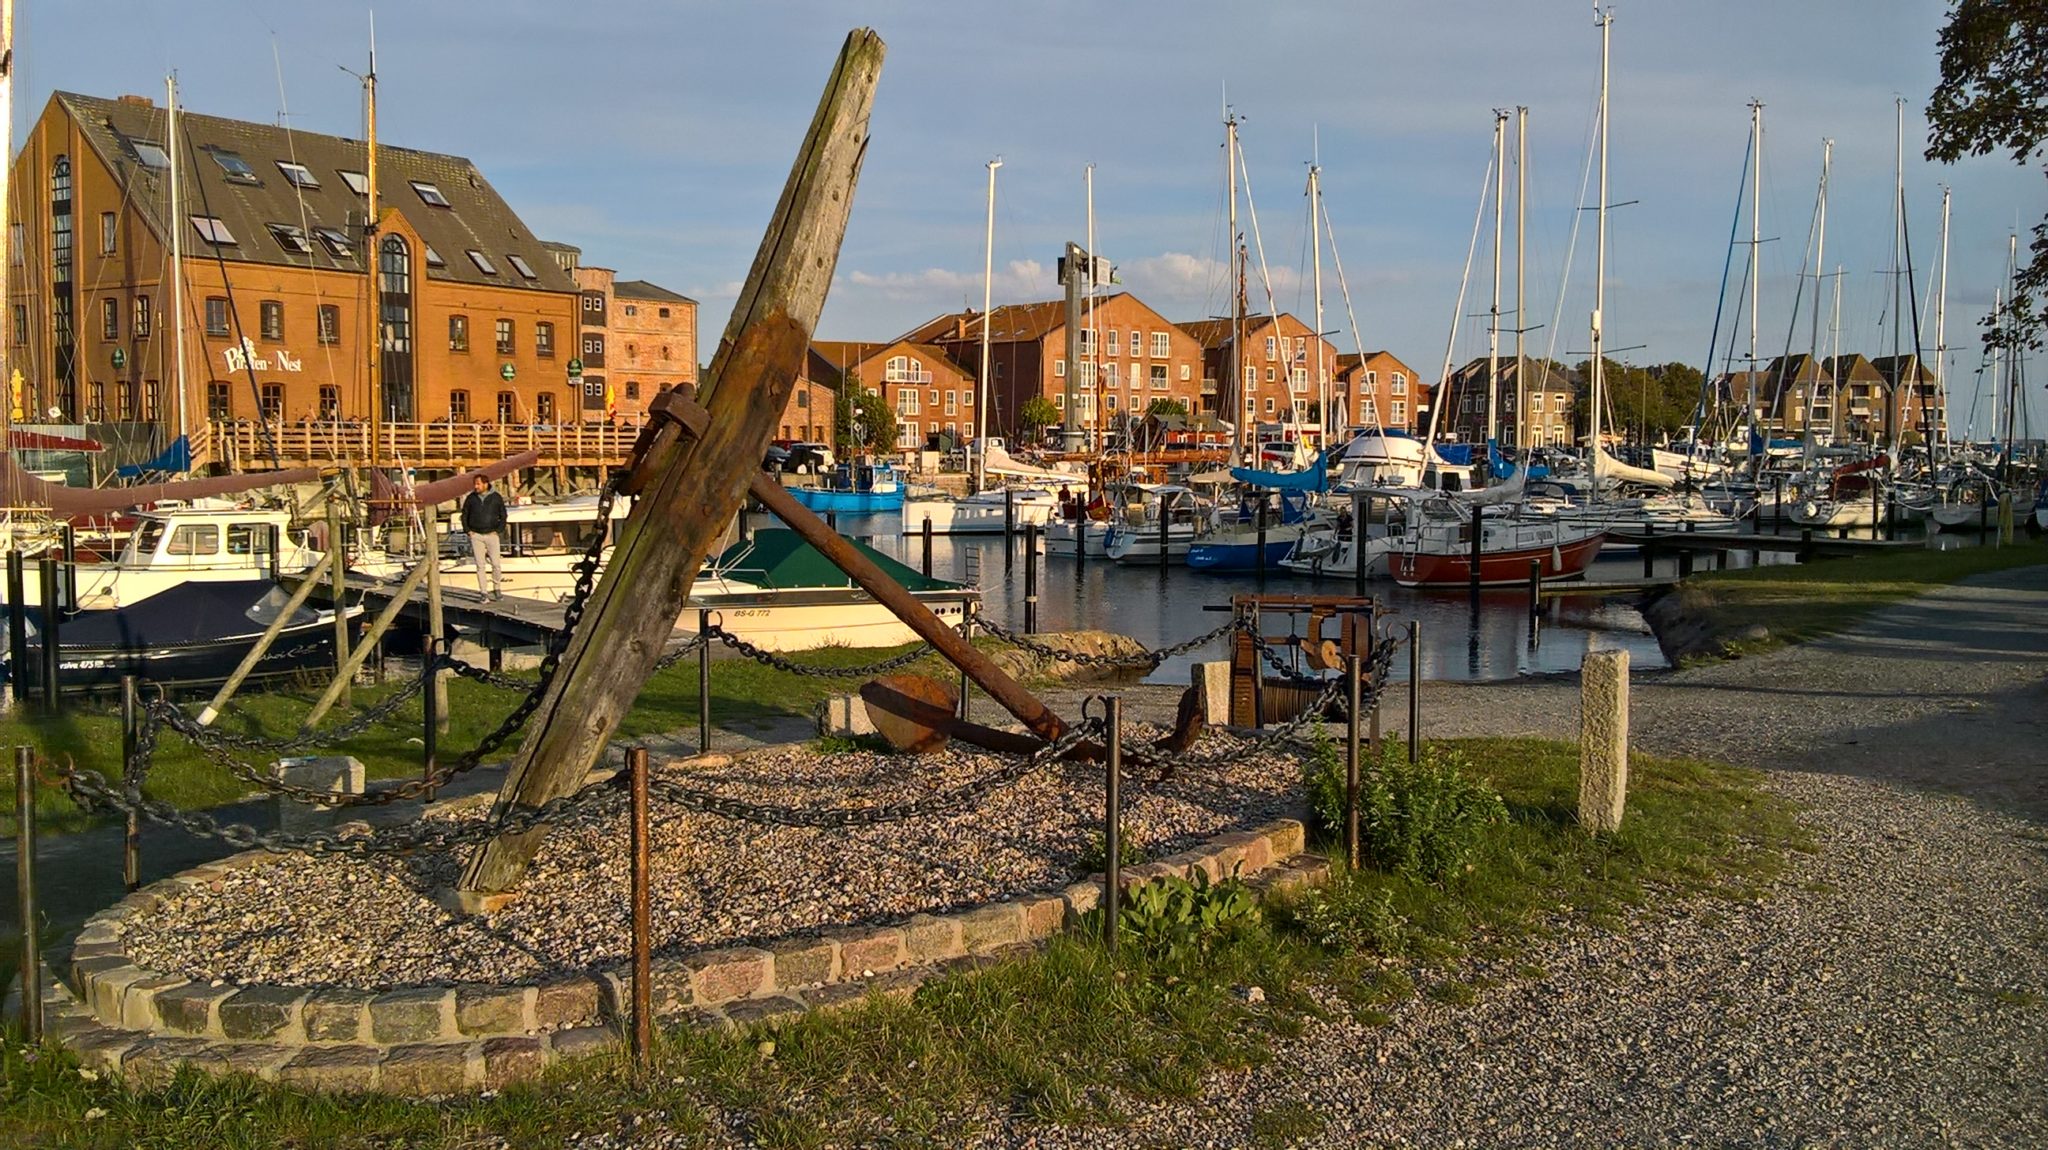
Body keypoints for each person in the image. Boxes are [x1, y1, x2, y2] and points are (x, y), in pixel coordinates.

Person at [461, 474, 507, 600]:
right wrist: (468, 531)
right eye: (475, 484)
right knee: (480, 565)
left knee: (496, 564)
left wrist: (499, 530)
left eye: (478, 484)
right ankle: (483, 592)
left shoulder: (496, 497)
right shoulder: (471, 498)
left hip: (492, 534)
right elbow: (464, 515)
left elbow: (503, 515)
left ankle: (497, 588)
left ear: (486, 484)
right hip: (476, 535)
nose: (476, 487)